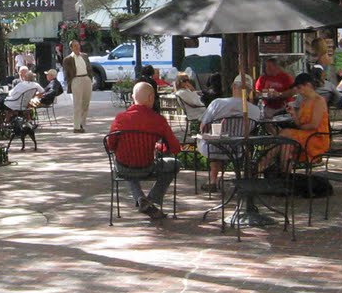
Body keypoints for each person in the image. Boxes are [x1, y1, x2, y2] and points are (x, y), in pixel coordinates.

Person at [105, 81, 182, 219]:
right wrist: (160, 147)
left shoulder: (120, 118)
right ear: (151, 98)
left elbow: (111, 145)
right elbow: (175, 148)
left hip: (124, 167)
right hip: (148, 167)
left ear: (133, 98)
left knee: (126, 161)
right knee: (174, 163)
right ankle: (152, 198)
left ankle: (141, 199)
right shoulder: (158, 120)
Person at [198, 75, 263, 188]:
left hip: (212, 148)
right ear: (249, 91)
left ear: (233, 87)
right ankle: (222, 178)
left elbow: (203, 126)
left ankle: (213, 180)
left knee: (213, 139)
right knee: (222, 142)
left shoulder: (217, 103)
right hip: (237, 149)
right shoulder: (255, 110)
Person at [278, 73, 331, 166]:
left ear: (308, 85)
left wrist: (299, 128)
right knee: (285, 143)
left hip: (316, 137)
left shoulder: (319, 101)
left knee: (284, 135)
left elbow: (314, 125)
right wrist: (294, 113)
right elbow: (299, 123)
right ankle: (284, 170)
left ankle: (274, 167)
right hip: (305, 134)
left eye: (299, 88)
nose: (298, 91)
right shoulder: (304, 101)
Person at [0, 65, 42, 150]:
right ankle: (11, 120)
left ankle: (2, 124)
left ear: (25, 77)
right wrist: (32, 96)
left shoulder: (21, 84)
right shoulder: (36, 85)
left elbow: (10, 93)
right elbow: (42, 92)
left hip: (13, 104)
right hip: (24, 106)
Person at [63, 40, 93, 133]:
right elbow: (66, 73)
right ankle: (76, 127)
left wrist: (90, 77)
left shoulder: (84, 56)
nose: (77, 47)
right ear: (71, 48)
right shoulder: (68, 59)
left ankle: (81, 122)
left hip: (86, 79)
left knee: (86, 103)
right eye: (75, 46)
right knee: (77, 103)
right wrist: (70, 83)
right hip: (76, 79)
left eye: (78, 45)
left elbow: (89, 67)